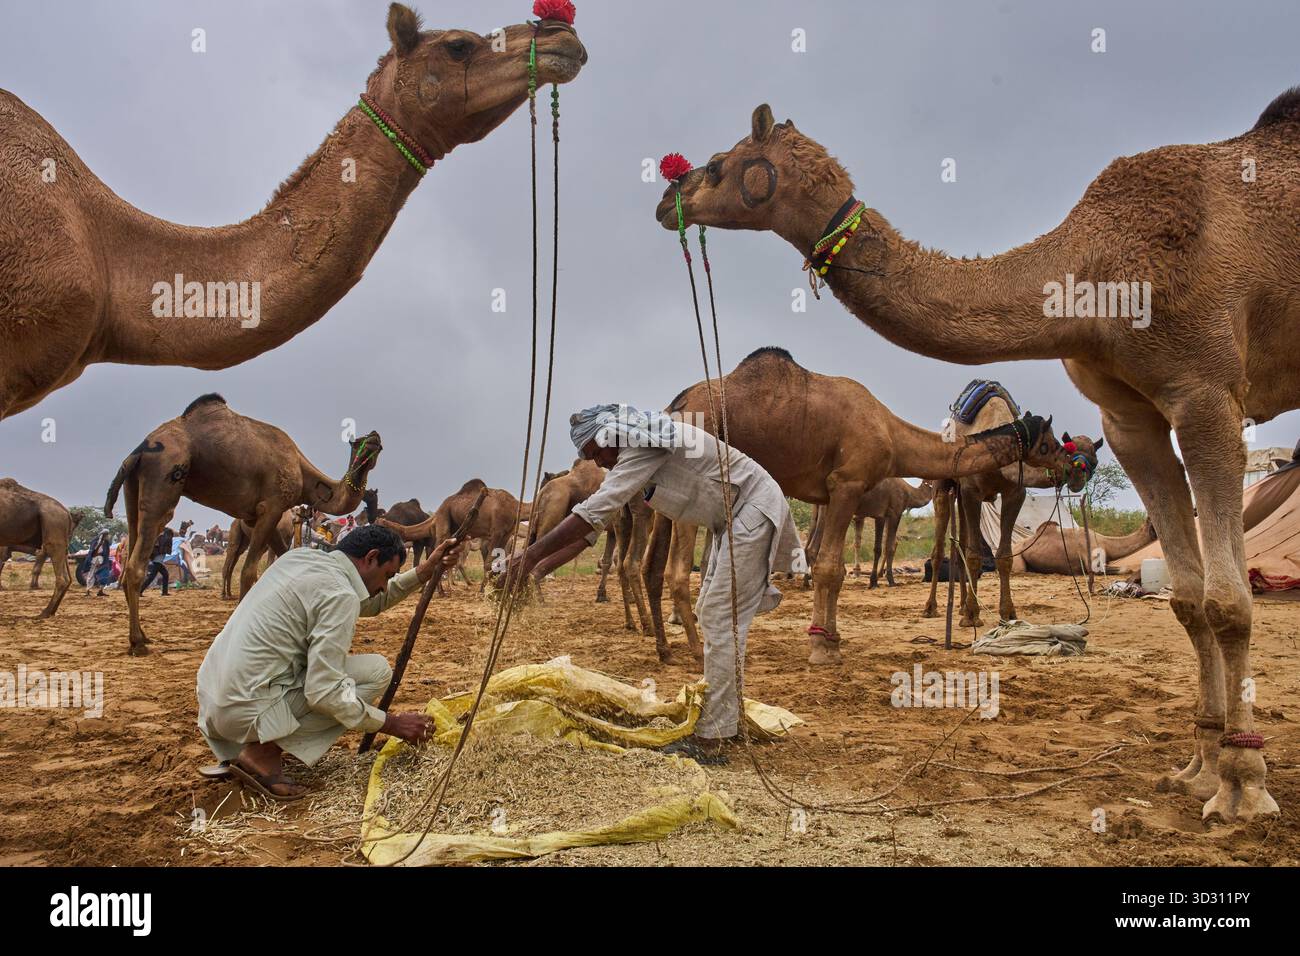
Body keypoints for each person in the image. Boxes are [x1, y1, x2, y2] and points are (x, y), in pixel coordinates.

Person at [503, 404, 801, 764]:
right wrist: (537, 570)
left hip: (750, 509)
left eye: (597, 453)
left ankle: (714, 739)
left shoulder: (642, 446)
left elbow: (590, 515)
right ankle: (727, 720)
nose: (598, 464)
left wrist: (528, 557)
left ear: (610, 436)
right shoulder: (636, 453)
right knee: (717, 616)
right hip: (730, 520)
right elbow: (593, 530)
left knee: (721, 618)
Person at [196, 524, 461, 800]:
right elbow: (324, 692)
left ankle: (255, 743)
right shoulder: (340, 594)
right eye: (387, 575)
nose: (384, 586)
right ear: (370, 557)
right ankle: (261, 754)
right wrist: (392, 724)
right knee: (375, 673)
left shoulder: (300, 559)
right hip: (245, 710)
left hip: (215, 703)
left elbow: (370, 601)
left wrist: (425, 571)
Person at [80, 530, 112, 596]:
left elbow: (106, 552)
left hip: (102, 560)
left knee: (104, 574)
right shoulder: (95, 541)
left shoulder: (106, 542)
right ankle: (88, 591)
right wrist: (99, 544)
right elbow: (93, 551)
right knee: (91, 575)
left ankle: (101, 590)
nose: (107, 536)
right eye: (106, 534)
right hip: (94, 560)